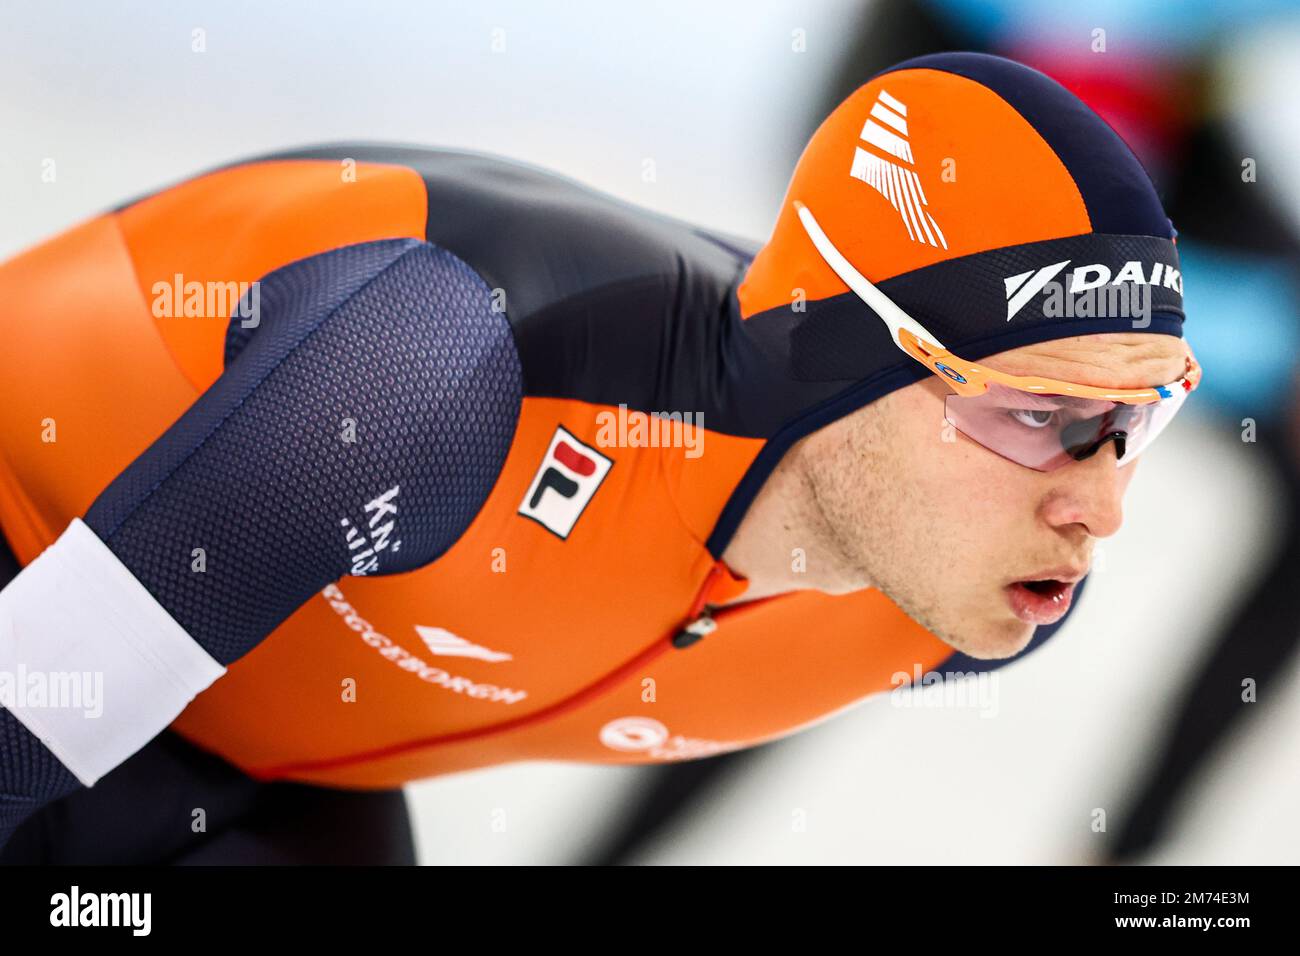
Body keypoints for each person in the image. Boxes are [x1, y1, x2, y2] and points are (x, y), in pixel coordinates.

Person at [0, 52, 1199, 862]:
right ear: (854, 366)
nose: (1099, 506)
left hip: (257, 742)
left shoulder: (956, 611)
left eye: (1134, 420)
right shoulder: (437, 373)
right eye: (1037, 411)